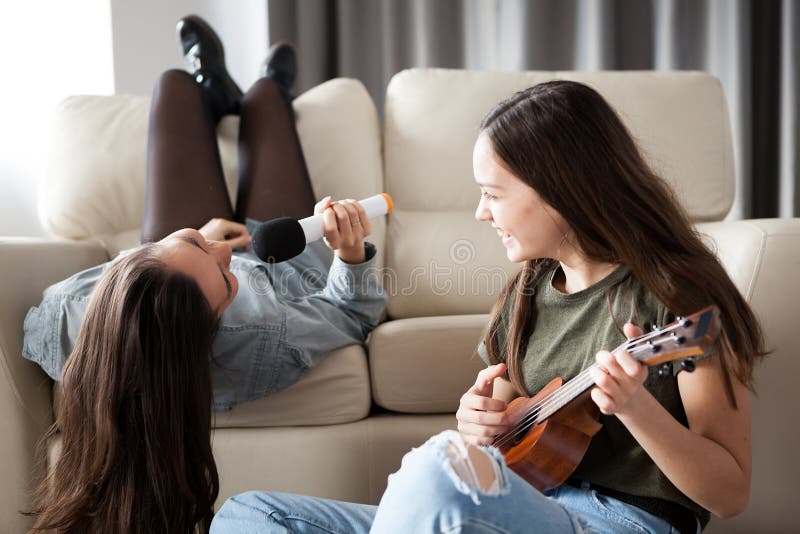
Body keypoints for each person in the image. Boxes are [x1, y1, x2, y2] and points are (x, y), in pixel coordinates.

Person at [211, 81, 766, 533]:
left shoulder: (679, 296)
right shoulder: (528, 291)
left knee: (434, 474)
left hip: (623, 523)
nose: (480, 213)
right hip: (518, 507)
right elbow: (500, 434)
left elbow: (729, 493)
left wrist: (636, 408)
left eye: (493, 193)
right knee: (252, 515)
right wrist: (476, 422)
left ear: (561, 189)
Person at [22, 15, 387, 534]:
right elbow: (352, 312)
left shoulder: (63, 316)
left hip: (168, 266)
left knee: (171, 86)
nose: (222, 252)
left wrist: (191, 238)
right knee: (264, 101)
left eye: (198, 247)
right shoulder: (260, 335)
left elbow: (142, 277)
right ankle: (271, 91)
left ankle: (210, 87)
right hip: (280, 262)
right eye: (224, 280)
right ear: (215, 321)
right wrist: (350, 252)